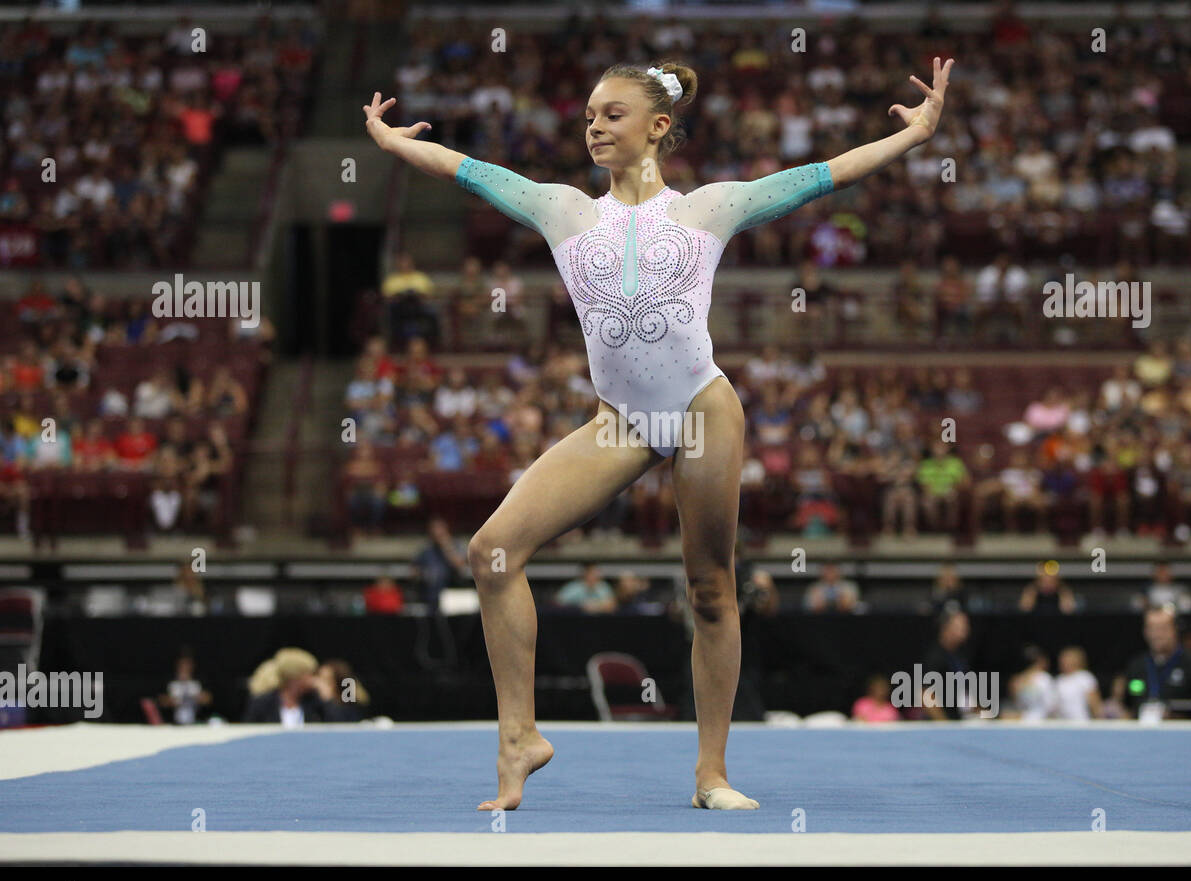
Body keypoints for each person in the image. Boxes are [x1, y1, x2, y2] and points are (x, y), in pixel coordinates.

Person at [364, 55, 955, 811]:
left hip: (703, 408)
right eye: (588, 116)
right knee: (491, 552)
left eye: (612, 114)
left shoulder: (710, 207)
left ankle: (712, 773)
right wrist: (387, 140)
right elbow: (468, 169)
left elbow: (825, 174)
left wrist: (916, 136)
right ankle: (520, 737)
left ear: (658, 126)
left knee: (710, 589)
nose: (594, 127)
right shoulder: (562, 210)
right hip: (621, 421)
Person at [1112, 606, 1191, 719]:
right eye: (1152, 628)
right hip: (1145, 731)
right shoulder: (1136, 666)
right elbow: (1127, 707)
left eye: (1163, 628)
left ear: (1175, 630)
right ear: (1145, 631)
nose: (1157, 634)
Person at [243, 648, 325, 725]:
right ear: (296, 677)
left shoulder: (315, 701)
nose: (314, 680)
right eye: (310, 674)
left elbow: (335, 723)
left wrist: (326, 696)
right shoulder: (262, 704)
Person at [157, 650, 211, 725]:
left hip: (196, 722)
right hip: (174, 723)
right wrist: (171, 701)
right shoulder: (170, 682)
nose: (185, 667)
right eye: (182, 665)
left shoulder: (199, 681)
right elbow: (161, 701)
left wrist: (198, 697)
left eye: (187, 665)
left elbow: (208, 699)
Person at [1053, 646, 1102, 720]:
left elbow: (1095, 704)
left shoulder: (1085, 677)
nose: (1064, 661)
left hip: (1081, 723)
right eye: (1063, 659)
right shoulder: (1058, 680)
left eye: (1067, 659)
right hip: (1062, 724)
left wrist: (1099, 719)